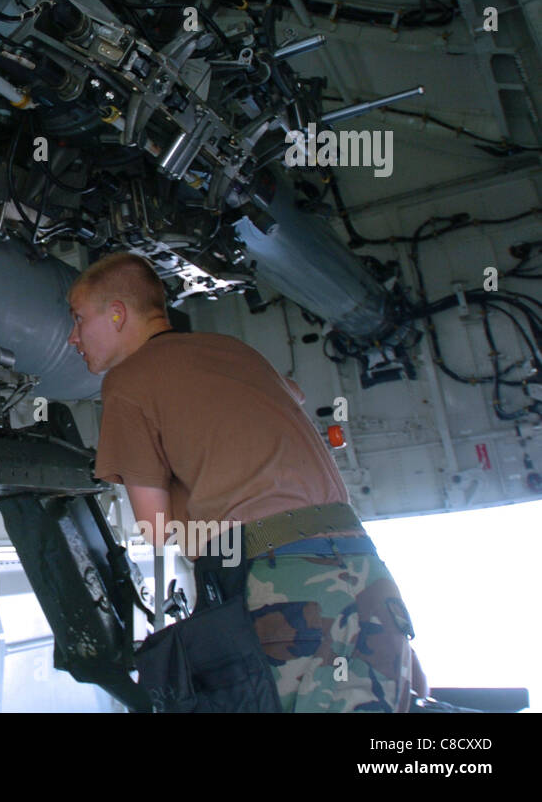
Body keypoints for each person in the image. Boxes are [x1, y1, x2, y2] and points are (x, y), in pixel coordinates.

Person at [67, 252, 416, 712]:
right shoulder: (235, 350)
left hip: (279, 581)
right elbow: (292, 393)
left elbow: (157, 530)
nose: (73, 337)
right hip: (362, 564)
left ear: (117, 313)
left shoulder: (127, 381)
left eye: (78, 319)